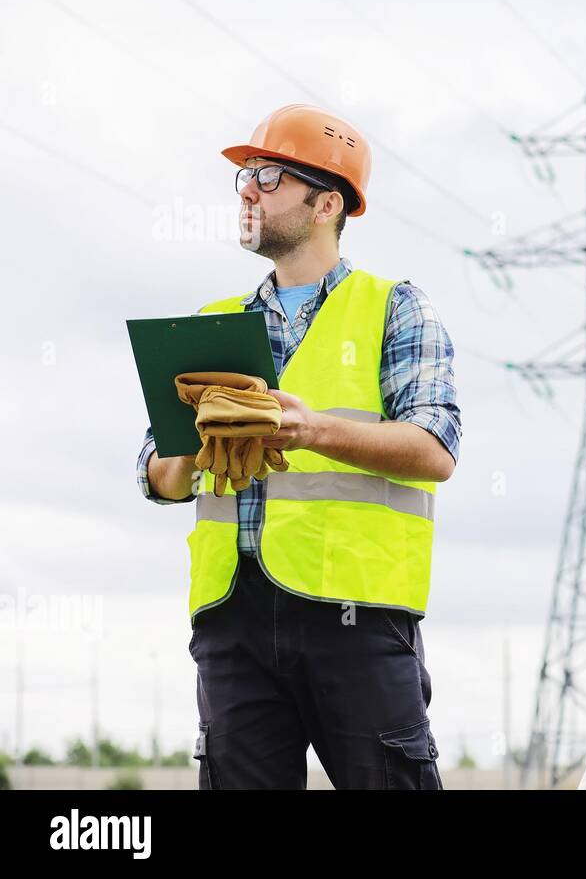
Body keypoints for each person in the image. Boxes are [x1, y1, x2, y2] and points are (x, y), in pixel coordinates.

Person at [137, 104, 461, 789]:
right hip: (232, 619)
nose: (249, 191)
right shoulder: (210, 324)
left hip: (357, 615)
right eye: (246, 177)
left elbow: (434, 449)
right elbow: (158, 477)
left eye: (270, 176)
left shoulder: (395, 308)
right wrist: (196, 447)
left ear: (327, 203)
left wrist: (311, 430)